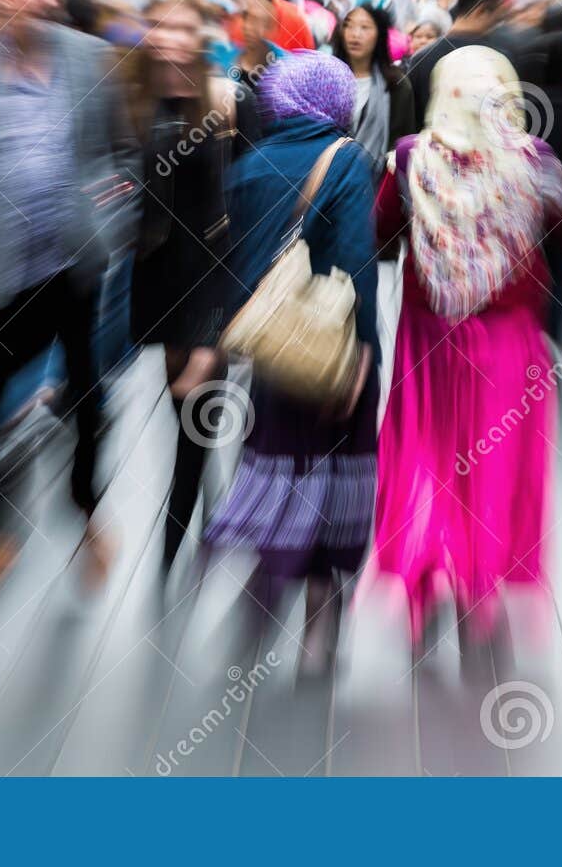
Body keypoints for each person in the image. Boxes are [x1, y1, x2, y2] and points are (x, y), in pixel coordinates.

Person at [0, 0, 140, 633]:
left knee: (87, 402)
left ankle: (86, 517)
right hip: (6, 274)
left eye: (17, 2)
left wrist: (112, 218)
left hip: (75, 267)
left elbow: (123, 151)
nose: (5, 15)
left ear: (43, 7)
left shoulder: (84, 59)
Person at [371, 45, 562, 648]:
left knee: (427, 452)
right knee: (495, 461)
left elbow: (382, 232)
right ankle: (480, 579)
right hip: (508, 336)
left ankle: (429, 565)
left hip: (430, 332)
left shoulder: (410, 158)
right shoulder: (534, 159)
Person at [202, 52, 379, 671]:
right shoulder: (349, 161)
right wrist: (365, 353)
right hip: (332, 347)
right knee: (335, 471)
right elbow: (357, 264)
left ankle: (268, 576)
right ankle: (319, 621)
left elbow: (235, 264)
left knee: (278, 457)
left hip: (274, 354)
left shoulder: (248, 166)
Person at [125, 0, 238, 576]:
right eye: (159, 25)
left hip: (204, 286)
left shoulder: (217, 101)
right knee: (185, 413)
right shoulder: (133, 99)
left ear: (201, 35)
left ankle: (172, 551)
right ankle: (215, 509)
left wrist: (212, 330)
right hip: (156, 285)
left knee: (194, 422)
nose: (170, 36)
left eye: (183, 27)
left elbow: (226, 216)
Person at [404, 0, 506, 128]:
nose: (495, 27)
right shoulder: (497, 58)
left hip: (431, 147)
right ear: (481, 12)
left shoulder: (421, 58)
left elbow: (411, 121)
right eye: (496, 20)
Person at [329, 4, 415, 179]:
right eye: (348, 26)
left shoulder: (396, 85)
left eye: (365, 27)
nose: (355, 34)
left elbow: (402, 142)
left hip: (377, 183)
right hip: (328, 179)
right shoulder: (326, 78)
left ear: (380, 34)